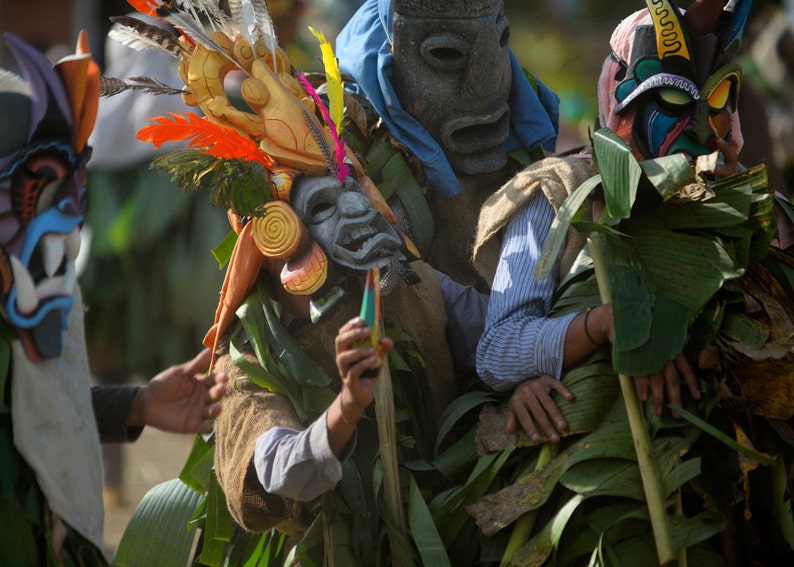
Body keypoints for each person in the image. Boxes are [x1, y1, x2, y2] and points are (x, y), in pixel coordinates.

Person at [103, 1, 485, 563]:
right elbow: (281, 468)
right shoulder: (250, 362)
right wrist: (344, 411)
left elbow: (502, 336)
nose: (361, 213)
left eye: (360, 194)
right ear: (281, 233)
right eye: (331, 203)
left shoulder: (415, 287)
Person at [474, 0, 758, 442]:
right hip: (602, 462)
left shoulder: (747, 205)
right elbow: (498, 351)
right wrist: (607, 322)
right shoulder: (561, 193)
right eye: (673, 97)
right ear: (618, 97)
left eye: (717, 100)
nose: (699, 128)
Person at [0, 30, 227, 566]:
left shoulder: (41, 287)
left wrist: (138, 403)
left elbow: (32, 409)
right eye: (36, 194)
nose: (66, 234)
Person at [334, 0, 560, 289]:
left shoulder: (531, 178)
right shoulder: (354, 168)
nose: (484, 86)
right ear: (387, 69)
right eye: (444, 54)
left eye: (499, 41)